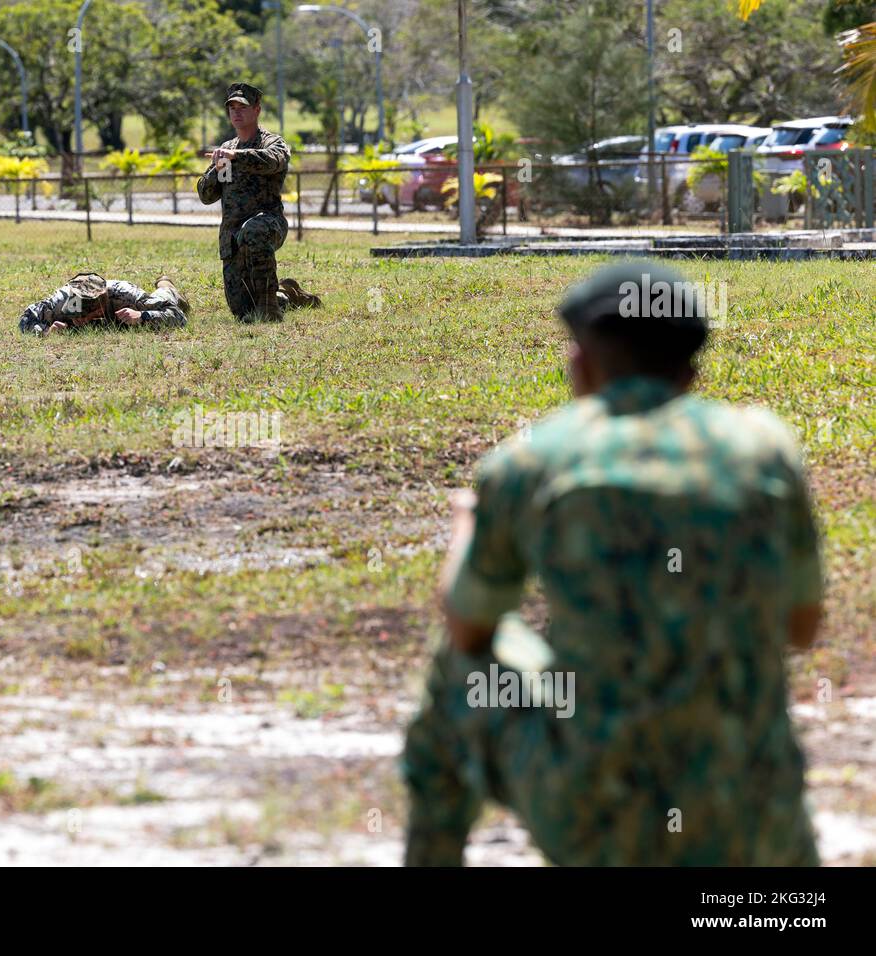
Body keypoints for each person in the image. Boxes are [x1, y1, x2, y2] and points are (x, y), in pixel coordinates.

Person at [403, 260, 823, 866]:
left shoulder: (532, 460)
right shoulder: (765, 449)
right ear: (692, 366)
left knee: (458, 666)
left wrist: (466, 525)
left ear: (583, 361)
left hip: (596, 819)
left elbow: (470, 627)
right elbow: (801, 627)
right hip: (754, 821)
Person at [196, 81, 321, 322]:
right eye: (232, 107)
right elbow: (207, 196)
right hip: (232, 239)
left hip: (267, 225)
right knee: (243, 312)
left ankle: (270, 308)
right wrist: (217, 168)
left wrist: (237, 156)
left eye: (242, 107)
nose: (236, 112)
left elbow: (273, 161)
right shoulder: (225, 149)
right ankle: (288, 295)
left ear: (257, 110)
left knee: (253, 230)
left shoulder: (272, 143)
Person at [19, 272, 188, 335]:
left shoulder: (126, 295)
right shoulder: (60, 301)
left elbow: (178, 316)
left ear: (99, 309)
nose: (77, 320)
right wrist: (46, 331)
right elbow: (26, 319)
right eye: (74, 313)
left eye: (83, 315)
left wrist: (142, 316)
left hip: (132, 302)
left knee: (170, 299)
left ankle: (165, 284)